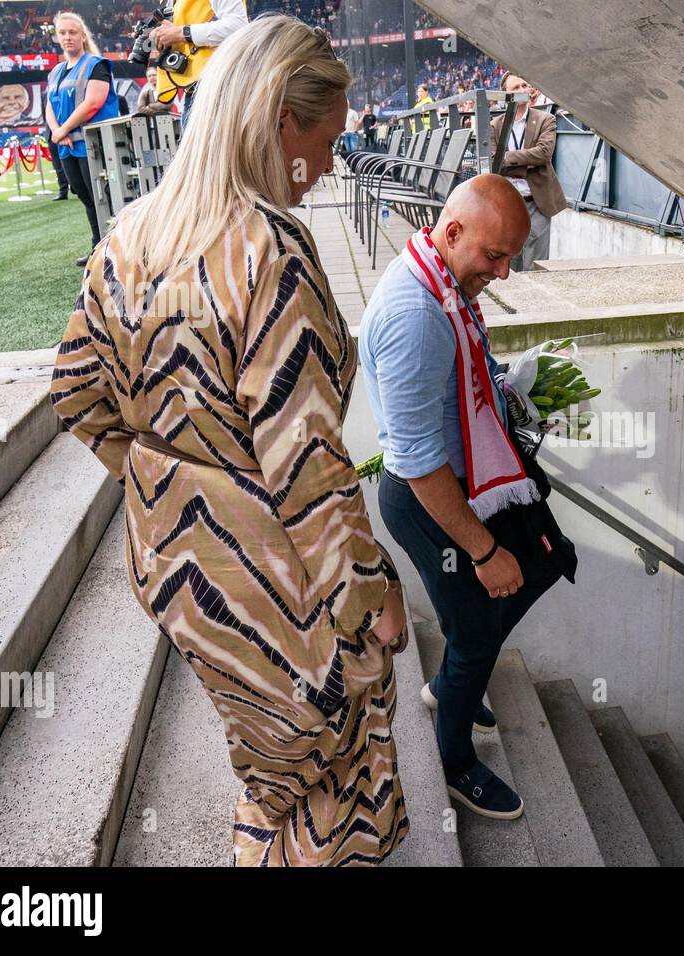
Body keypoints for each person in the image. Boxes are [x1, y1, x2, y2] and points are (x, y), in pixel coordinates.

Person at [48, 15, 411, 867]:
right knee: (340, 793)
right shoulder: (272, 252)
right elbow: (311, 481)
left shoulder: (130, 235)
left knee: (266, 772)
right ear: (282, 117)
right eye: (325, 140)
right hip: (278, 588)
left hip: (178, 576)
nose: (327, 164)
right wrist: (371, 606)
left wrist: (169, 480)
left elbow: (74, 396)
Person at [359, 174, 566, 820]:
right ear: (452, 233)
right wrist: (481, 551)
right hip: (432, 502)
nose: (503, 274)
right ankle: (455, 764)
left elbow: (465, 381)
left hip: (460, 486)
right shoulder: (416, 316)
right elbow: (419, 465)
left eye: (512, 257)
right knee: (477, 631)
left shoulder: (440, 279)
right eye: (495, 255)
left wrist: (511, 391)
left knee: (546, 560)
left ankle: (452, 682)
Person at [45, 12, 119, 266]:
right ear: (57, 37)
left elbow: (93, 103)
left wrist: (61, 130)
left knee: (103, 198)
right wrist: (58, 132)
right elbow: (49, 106)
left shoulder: (96, 65)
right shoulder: (55, 71)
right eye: (62, 33)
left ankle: (115, 247)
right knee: (86, 197)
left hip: (93, 144)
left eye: (72, 32)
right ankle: (98, 246)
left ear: (83, 36)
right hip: (67, 145)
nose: (67, 37)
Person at [490, 73, 566, 271]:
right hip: (507, 203)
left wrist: (507, 157)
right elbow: (492, 162)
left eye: (524, 85)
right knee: (510, 261)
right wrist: (524, 161)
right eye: (515, 88)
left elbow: (543, 154)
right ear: (504, 93)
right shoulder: (495, 125)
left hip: (537, 200)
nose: (521, 90)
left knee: (536, 265)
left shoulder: (545, 119)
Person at [149, 0, 248, 127]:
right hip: (197, 86)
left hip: (220, 84)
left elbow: (238, 26)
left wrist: (182, 33)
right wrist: (160, 36)